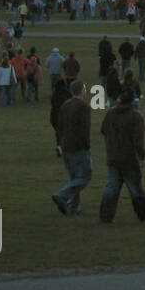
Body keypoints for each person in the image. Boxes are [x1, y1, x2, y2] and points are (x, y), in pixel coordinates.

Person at [98, 88, 145, 223]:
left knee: (111, 188)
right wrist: (142, 156)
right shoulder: (136, 117)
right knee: (135, 189)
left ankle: (105, 216)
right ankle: (144, 214)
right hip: (129, 159)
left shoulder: (110, 113)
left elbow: (103, 130)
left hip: (113, 156)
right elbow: (138, 141)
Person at [51, 81, 93, 216]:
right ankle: (61, 196)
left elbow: (60, 126)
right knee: (85, 177)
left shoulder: (66, 105)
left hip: (66, 145)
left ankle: (74, 207)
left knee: (74, 177)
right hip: (78, 146)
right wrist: (86, 145)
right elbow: (85, 128)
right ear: (82, 90)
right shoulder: (84, 106)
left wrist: (61, 143)